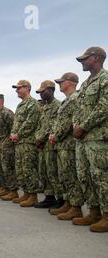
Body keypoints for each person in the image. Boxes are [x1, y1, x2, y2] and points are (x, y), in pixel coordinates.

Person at [72, 47, 108, 232]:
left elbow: (104, 107)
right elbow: (78, 109)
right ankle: (94, 212)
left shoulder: (105, 79)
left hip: (98, 139)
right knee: (84, 176)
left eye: (85, 59)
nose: (82, 62)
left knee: (101, 176)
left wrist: (83, 126)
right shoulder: (86, 84)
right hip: (83, 139)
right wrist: (76, 127)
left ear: (96, 58)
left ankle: (106, 215)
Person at [49, 72, 84, 220]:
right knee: (64, 175)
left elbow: (69, 123)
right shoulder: (66, 100)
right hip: (62, 144)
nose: (59, 84)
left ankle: (76, 207)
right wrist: (54, 134)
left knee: (70, 176)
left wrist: (56, 135)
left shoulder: (74, 98)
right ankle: (69, 203)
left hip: (68, 144)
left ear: (70, 82)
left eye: (61, 82)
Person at [10, 80, 41, 207]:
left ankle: (33, 196)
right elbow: (16, 123)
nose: (16, 90)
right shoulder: (20, 105)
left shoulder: (32, 103)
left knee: (29, 169)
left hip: (28, 142)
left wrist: (19, 134)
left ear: (27, 88)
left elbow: (30, 122)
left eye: (19, 88)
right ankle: (26, 193)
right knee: (21, 169)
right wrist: (12, 133)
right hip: (19, 142)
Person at [34, 81, 63, 209]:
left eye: (43, 91)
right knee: (43, 171)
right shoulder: (45, 107)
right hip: (42, 146)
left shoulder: (58, 105)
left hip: (51, 145)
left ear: (51, 90)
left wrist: (41, 138)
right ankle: (49, 197)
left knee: (53, 172)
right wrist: (37, 139)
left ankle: (61, 199)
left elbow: (53, 126)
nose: (40, 94)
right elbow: (40, 125)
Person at [0, 94, 18, 201]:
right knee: (1, 169)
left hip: (7, 147)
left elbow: (14, 128)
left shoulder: (7, 113)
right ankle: (5, 188)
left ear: (1, 101)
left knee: (8, 169)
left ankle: (13, 191)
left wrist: (9, 142)